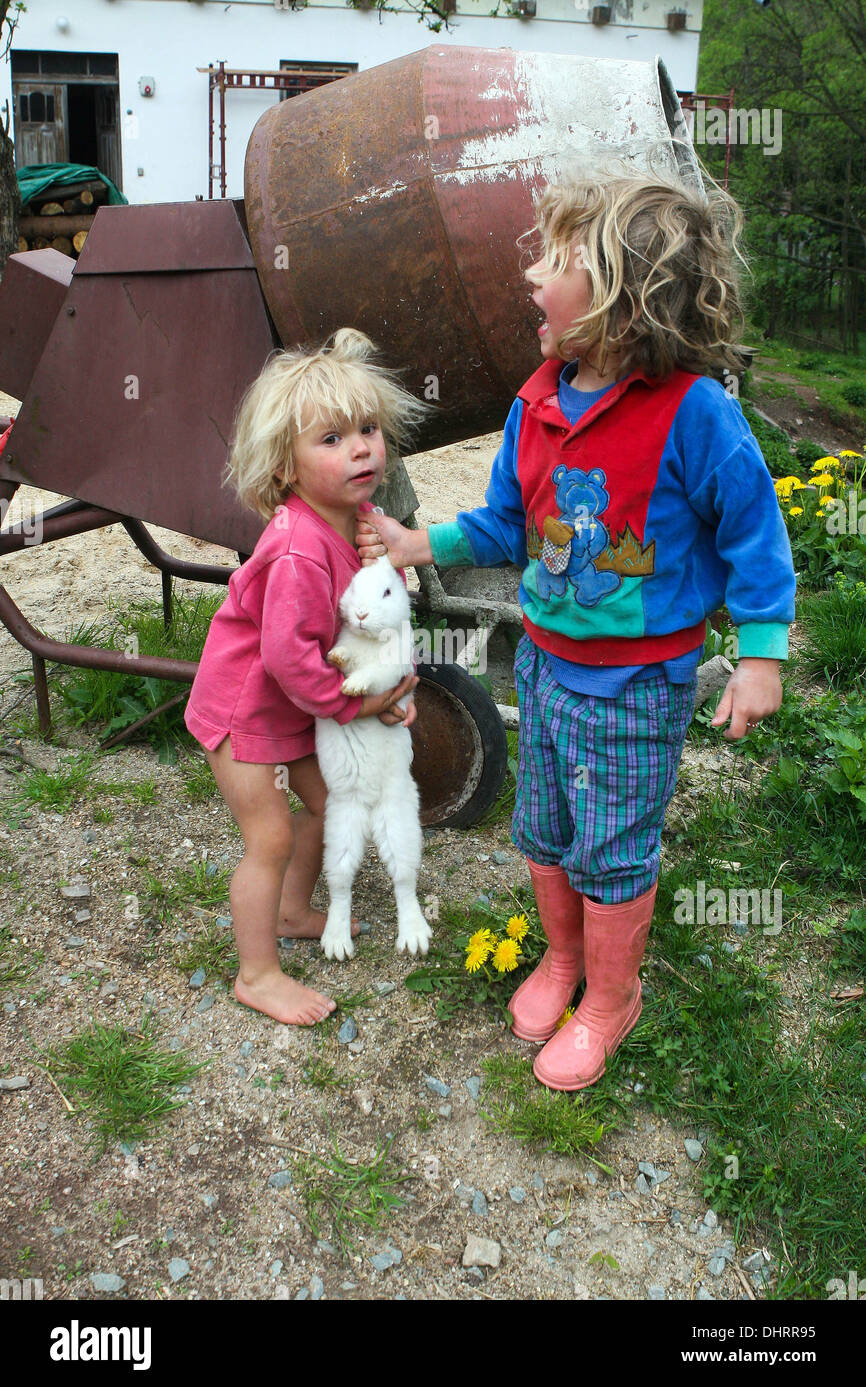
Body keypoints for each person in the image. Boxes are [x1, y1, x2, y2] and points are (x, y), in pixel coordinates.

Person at [356, 170, 796, 1090]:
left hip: (638, 685)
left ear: (625, 297)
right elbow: (504, 528)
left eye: (556, 262)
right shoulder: (536, 404)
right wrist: (414, 539)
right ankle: (563, 963)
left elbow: (756, 531)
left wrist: (760, 653)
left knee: (613, 841)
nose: (531, 280)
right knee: (544, 824)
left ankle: (610, 997)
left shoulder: (695, 413)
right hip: (548, 668)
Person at [184, 329, 426, 1025]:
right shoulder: (295, 549)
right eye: (332, 438)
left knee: (328, 804)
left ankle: (291, 910)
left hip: (299, 703)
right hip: (244, 709)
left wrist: (390, 560)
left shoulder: (358, 519)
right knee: (271, 838)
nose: (361, 448)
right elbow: (291, 658)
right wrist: (361, 705)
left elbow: (377, 606)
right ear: (284, 466)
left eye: (369, 429)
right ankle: (257, 973)